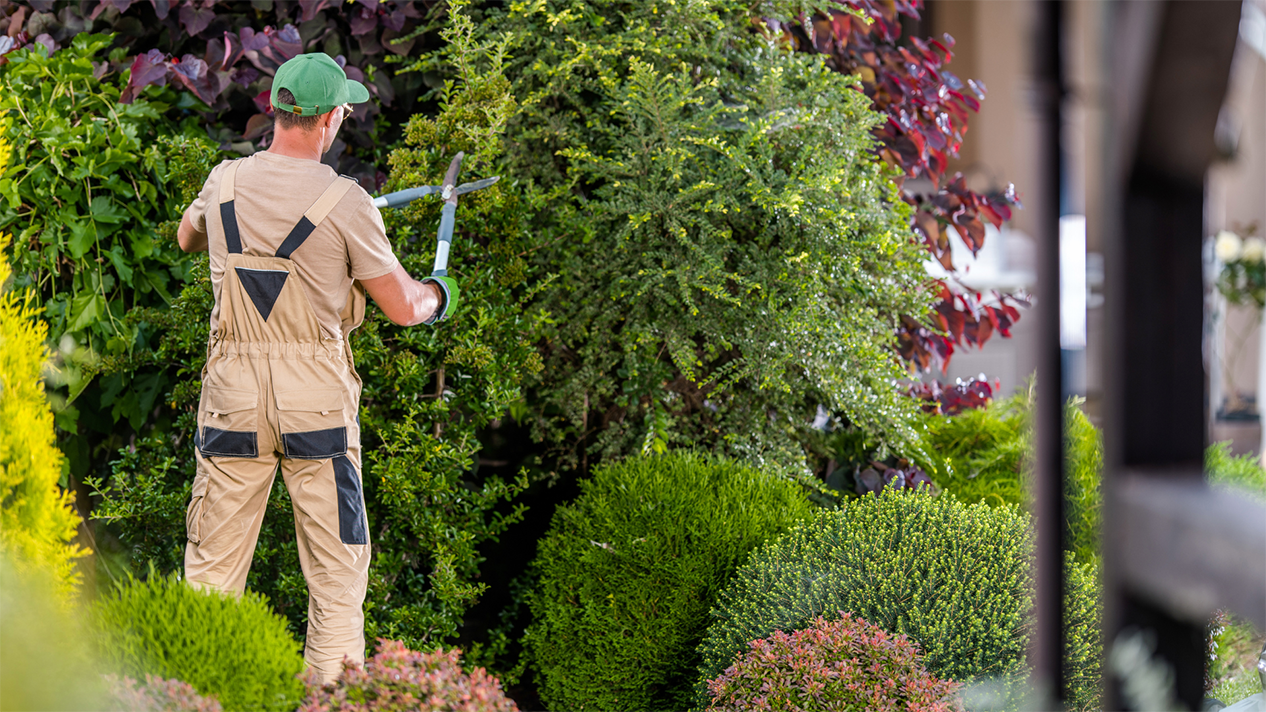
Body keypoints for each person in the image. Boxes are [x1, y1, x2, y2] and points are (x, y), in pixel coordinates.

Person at [175, 52, 456, 683]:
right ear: (329, 119)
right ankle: (331, 700)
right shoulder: (349, 202)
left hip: (233, 398)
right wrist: (442, 292)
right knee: (336, 577)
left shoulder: (222, 183)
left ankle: (191, 698)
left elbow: (187, 237)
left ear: (276, 111)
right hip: (317, 407)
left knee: (211, 576)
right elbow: (406, 308)